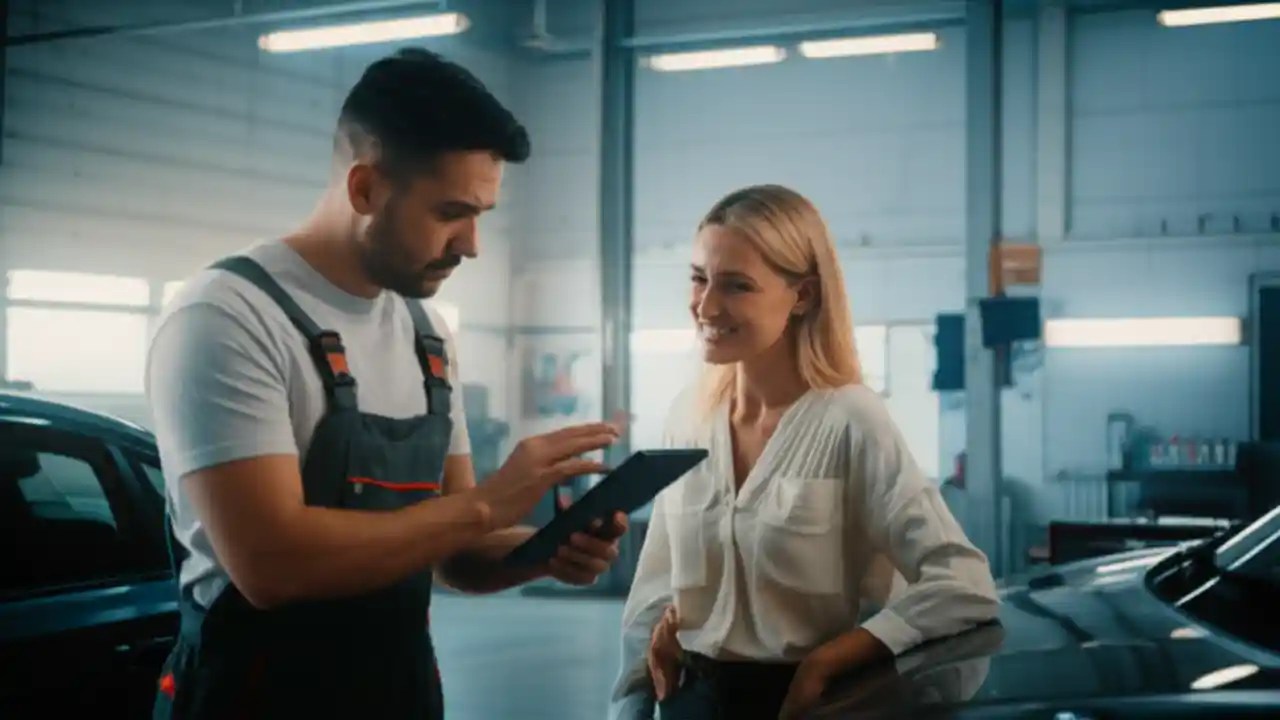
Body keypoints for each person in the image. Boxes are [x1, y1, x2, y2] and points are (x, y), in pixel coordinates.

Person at [146, 48, 627, 719]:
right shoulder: (228, 318)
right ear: (365, 188)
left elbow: (456, 556)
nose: (472, 244)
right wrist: (489, 505)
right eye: (451, 212)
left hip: (398, 695)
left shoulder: (426, 334)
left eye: (482, 214)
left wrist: (544, 553)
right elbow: (271, 565)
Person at [610, 185, 999, 720]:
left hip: (808, 702)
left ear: (804, 296)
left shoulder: (851, 419)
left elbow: (963, 583)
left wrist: (835, 658)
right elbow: (655, 586)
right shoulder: (689, 417)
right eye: (699, 278)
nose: (706, 305)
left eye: (737, 286)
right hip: (689, 699)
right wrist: (630, 705)